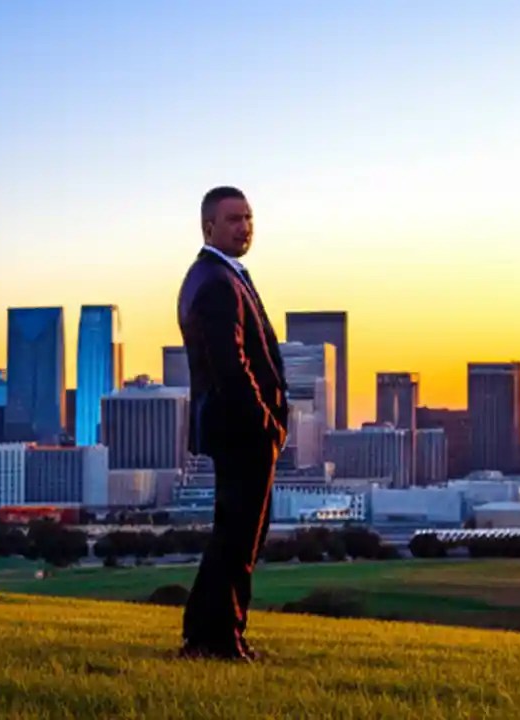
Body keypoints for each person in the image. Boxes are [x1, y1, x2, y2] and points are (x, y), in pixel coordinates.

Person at [176, 186, 288, 661]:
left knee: (234, 536)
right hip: (242, 431)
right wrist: (264, 423)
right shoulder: (217, 282)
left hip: (236, 429)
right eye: (234, 219)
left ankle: (204, 634)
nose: (245, 227)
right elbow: (231, 366)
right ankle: (222, 640)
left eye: (249, 218)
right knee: (240, 540)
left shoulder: (217, 275)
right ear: (209, 228)